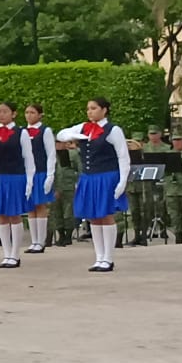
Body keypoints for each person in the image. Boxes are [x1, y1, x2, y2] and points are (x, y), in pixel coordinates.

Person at [57, 97, 131, 272]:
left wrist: (122, 181)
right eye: (88, 108)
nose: (90, 111)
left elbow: (123, 157)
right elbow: (61, 134)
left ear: (104, 110)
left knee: (106, 215)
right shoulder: (84, 128)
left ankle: (108, 257)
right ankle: (99, 257)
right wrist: (77, 135)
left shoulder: (113, 130)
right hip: (89, 177)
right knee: (93, 216)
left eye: (94, 108)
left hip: (107, 176)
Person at [0, 102, 35, 269]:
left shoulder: (21, 133)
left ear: (13, 114)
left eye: (5, 111)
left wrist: (29, 181)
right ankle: (6, 253)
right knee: (1, 215)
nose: (1, 114)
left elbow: (28, 158)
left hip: (15, 177)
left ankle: (15, 253)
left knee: (14, 215)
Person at [23, 104, 56, 252]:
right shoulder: (23, 131)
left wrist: (50, 175)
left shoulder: (45, 131)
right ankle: (34, 240)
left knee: (40, 205)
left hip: (41, 171)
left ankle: (41, 241)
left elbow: (50, 154)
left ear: (40, 115)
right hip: (27, 173)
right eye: (27, 112)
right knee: (30, 206)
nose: (29, 115)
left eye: (32, 112)